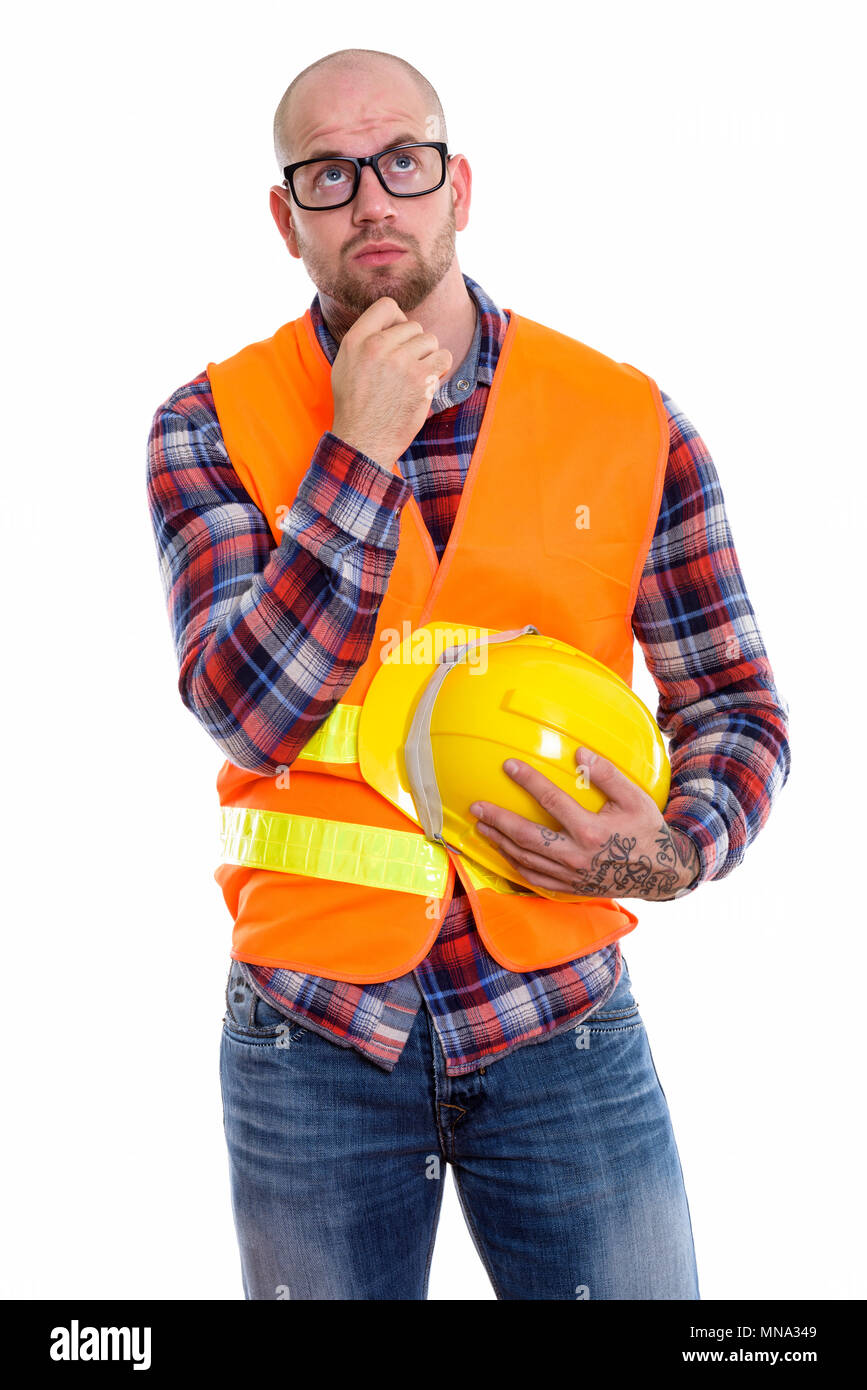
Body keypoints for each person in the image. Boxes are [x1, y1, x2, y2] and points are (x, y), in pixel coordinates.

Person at [146, 47, 791, 1301]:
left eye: (402, 161)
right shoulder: (206, 423)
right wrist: (359, 449)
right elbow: (245, 710)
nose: (372, 198)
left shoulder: (625, 416)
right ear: (287, 220)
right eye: (329, 175)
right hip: (310, 1029)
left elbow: (735, 705)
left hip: (561, 1014)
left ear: (458, 186)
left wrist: (668, 848)